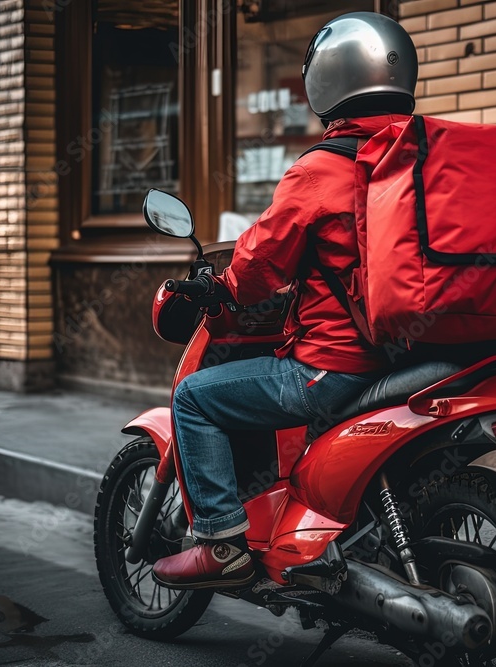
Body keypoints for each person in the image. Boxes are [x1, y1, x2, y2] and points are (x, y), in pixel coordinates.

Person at [151, 12, 418, 589]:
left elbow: (259, 265)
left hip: (335, 366)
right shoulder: (424, 160)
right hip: (417, 358)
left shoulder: (322, 169)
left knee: (196, 397)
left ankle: (222, 544)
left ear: (325, 82)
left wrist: (220, 287)